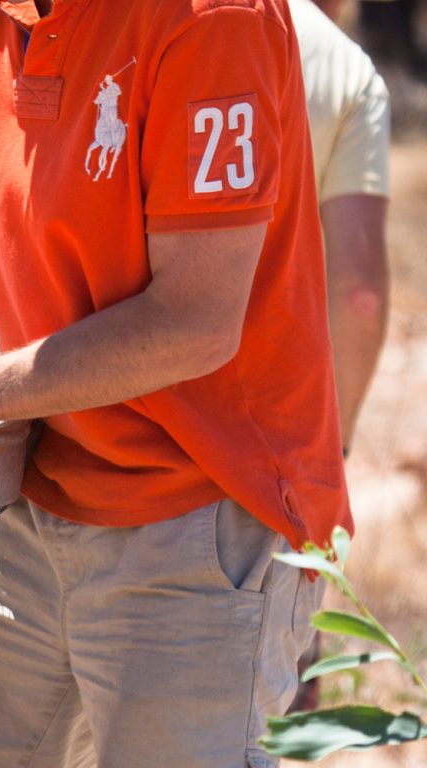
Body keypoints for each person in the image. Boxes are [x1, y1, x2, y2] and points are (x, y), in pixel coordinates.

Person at [0, 1, 352, 765]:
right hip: (36, 490)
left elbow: (195, 321)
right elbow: (13, 173)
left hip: (200, 516)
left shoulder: (212, 21)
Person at [287, 0, 391, 713]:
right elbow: (358, 296)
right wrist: (332, 449)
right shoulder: (343, 66)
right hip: (274, 457)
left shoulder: (143, 23)